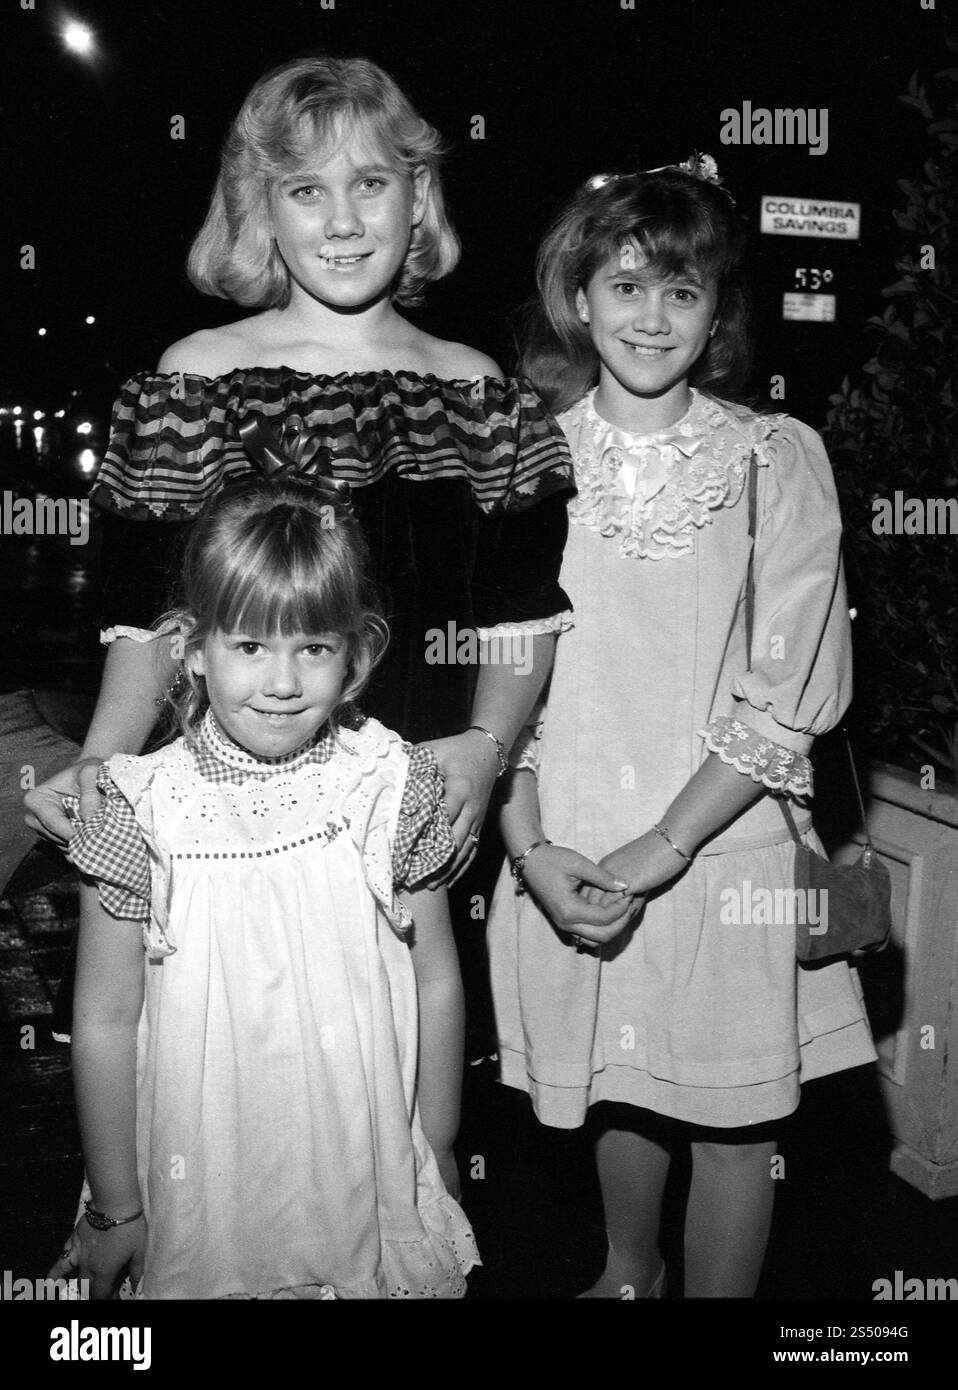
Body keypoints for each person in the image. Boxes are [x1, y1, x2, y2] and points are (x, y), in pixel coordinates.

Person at [23, 53, 596, 916]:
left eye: (370, 183)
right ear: (262, 209)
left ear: (418, 199)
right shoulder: (197, 378)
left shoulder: (477, 392)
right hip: (225, 817)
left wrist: (486, 745)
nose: (343, 222)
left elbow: (516, 612)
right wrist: (104, 755)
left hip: (409, 823)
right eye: (305, 190)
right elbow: (149, 610)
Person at [486, 156, 877, 1299]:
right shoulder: (521, 456)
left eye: (681, 291)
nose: (649, 315)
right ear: (579, 297)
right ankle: (624, 1274)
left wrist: (660, 849)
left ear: (715, 314)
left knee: (731, 1117)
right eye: (626, 285)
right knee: (620, 1080)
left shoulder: (774, 458)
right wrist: (532, 850)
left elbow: (790, 691)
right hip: (564, 844)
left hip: (721, 839)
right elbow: (497, 684)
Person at [50, 472, 479, 1299]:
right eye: (249, 646)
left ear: (354, 653)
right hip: (200, 1173)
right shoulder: (139, 807)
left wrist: (440, 1142)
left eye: (312, 648)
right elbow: (104, 1018)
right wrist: (115, 1206)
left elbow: (436, 975)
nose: (282, 682)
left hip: (363, 1161)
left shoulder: (390, 782)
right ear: (191, 647)